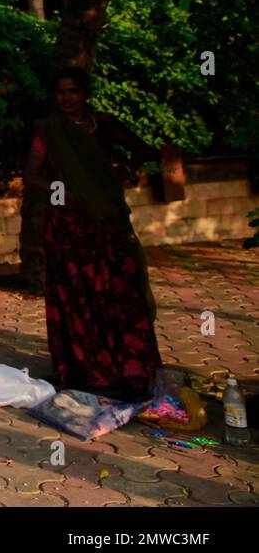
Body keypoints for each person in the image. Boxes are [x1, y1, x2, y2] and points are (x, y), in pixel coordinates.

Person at [23, 66, 162, 402]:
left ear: (85, 94)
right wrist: (64, 192)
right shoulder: (50, 131)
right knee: (78, 295)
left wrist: (123, 171)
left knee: (119, 292)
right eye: (61, 92)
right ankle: (84, 370)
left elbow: (144, 150)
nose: (67, 98)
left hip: (106, 222)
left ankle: (129, 367)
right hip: (67, 227)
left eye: (73, 91)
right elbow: (31, 176)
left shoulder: (105, 124)